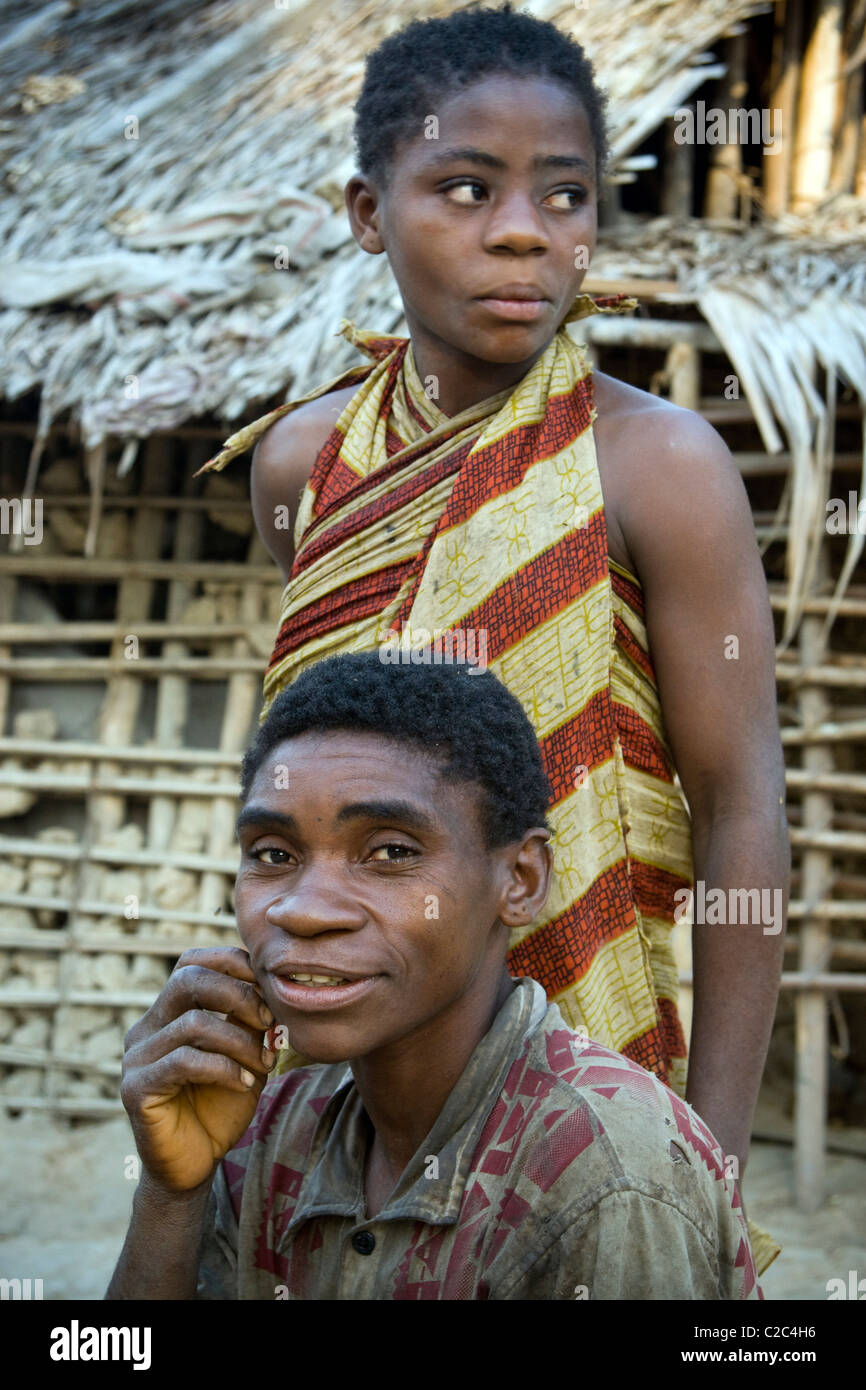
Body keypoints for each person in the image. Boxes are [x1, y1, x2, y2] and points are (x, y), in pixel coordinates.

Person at [194, 5, 788, 1271]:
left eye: (563, 196)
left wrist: (708, 1145)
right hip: (349, 1058)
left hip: (588, 1067)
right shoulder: (305, 463)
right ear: (367, 212)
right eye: (464, 188)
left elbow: (739, 803)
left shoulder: (656, 466)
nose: (522, 230)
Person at [107, 653, 759, 1300]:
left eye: (390, 852)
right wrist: (171, 1194)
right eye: (274, 855)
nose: (302, 909)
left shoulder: (609, 1178)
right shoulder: (268, 1123)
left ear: (521, 880)